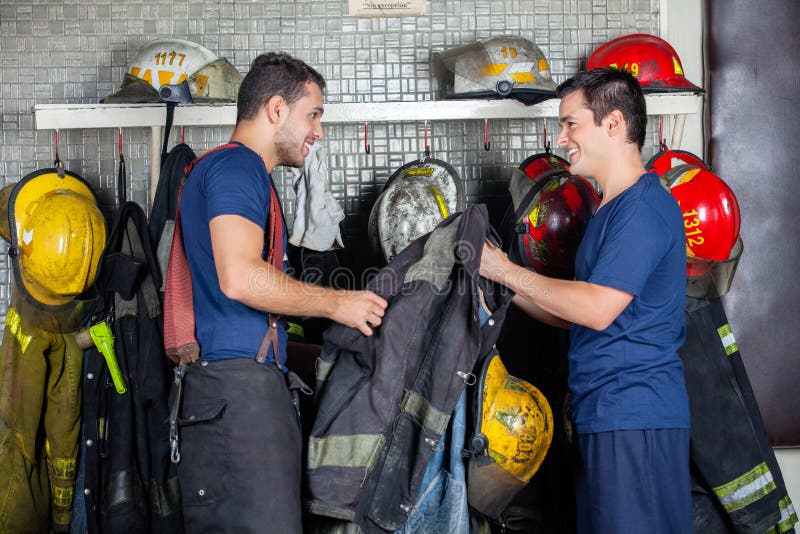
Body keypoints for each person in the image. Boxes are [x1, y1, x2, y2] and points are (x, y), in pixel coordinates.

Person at [176, 52, 388, 533]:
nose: (318, 131)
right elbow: (240, 277)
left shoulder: (241, 172)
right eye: (313, 115)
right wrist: (338, 303)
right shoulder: (237, 169)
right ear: (276, 109)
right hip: (236, 401)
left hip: (238, 395)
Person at [480, 67, 692, 533]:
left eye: (571, 123)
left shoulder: (642, 209)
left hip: (634, 415)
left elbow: (596, 307)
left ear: (613, 123)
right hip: (607, 413)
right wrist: (503, 289)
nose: (562, 138)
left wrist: (505, 270)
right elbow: (580, 315)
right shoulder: (612, 209)